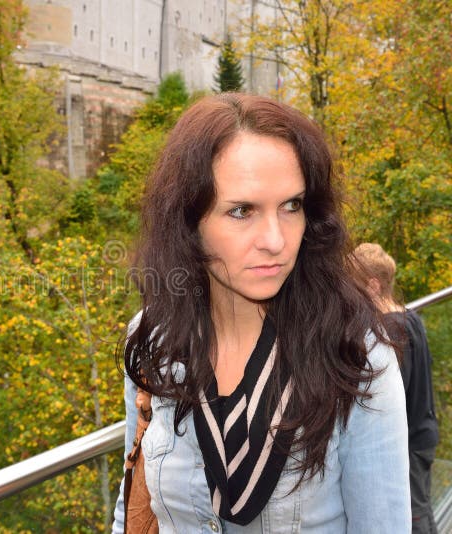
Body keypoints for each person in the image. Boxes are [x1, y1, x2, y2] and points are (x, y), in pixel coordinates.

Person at [111, 93, 410, 533]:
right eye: (241, 211)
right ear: (188, 221)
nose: (275, 239)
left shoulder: (354, 354)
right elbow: (131, 503)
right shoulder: (157, 340)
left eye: (292, 206)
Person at [353, 242, 439, 534]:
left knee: (414, 517)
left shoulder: (389, 334)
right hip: (424, 432)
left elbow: (389, 402)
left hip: (410, 442)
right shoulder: (410, 317)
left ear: (373, 286)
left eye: (354, 286)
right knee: (421, 508)